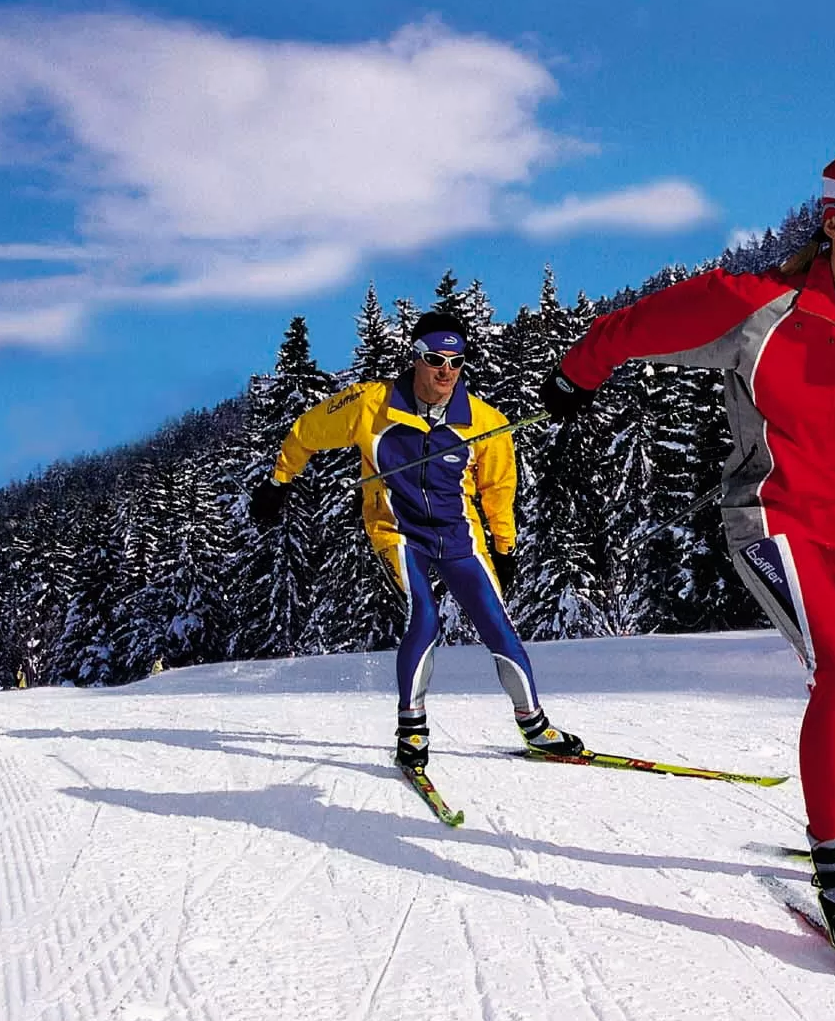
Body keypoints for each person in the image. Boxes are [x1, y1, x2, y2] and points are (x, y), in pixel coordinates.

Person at [539, 141, 835, 957]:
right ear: (832, 223)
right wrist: (575, 378)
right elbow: (631, 328)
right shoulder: (753, 306)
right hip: (774, 523)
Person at [250, 311, 584, 776]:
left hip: (458, 535)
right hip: (398, 532)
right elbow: (308, 431)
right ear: (416, 358)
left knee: (497, 623)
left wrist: (505, 548)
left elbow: (498, 491)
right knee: (422, 615)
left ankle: (536, 728)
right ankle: (412, 730)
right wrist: (280, 480)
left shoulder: (485, 422)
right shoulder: (372, 405)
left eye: (456, 361)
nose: (445, 371)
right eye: (434, 359)